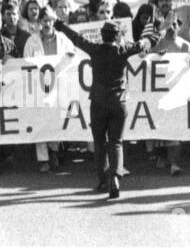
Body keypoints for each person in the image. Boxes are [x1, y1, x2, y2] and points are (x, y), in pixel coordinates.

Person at [60, 20, 158, 198]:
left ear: (102, 35)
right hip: (118, 102)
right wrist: (159, 30)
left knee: (99, 142)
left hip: (98, 102)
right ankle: (115, 177)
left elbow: (76, 38)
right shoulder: (123, 50)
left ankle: (103, 179)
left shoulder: (95, 49)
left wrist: (60, 25)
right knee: (116, 141)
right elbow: (147, 42)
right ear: (117, 35)